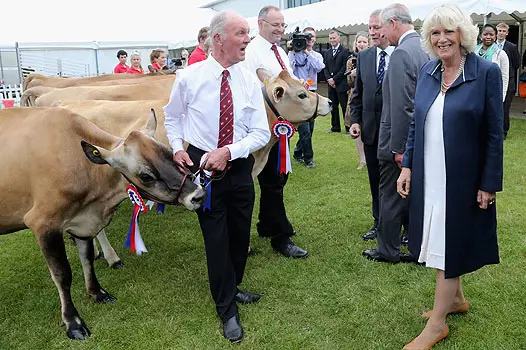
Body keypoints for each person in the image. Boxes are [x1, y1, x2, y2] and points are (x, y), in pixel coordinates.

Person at [397, 4, 503, 349]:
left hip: (462, 179)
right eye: (435, 33)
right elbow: (416, 124)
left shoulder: (485, 72)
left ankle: (437, 325)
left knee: (447, 243)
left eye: (448, 32)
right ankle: (455, 301)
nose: (442, 39)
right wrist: (408, 165)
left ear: (463, 35)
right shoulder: (429, 70)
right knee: (439, 236)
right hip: (430, 175)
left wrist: (489, 183)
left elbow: (493, 132)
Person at [163, 11, 270, 343]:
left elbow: (261, 133)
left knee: (239, 235)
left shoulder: (249, 80)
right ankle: (227, 309)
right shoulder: (189, 77)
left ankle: (233, 286)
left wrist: (230, 151)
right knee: (216, 239)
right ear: (218, 38)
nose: (247, 39)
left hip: (238, 167)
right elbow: (172, 117)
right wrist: (178, 147)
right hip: (201, 169)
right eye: (241, 33)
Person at [362, 3, 428, 263]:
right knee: (413, 194)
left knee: (389, 194)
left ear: (393, 23)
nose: (381, 34)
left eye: (382, 27)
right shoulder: (424, 47)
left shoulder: (401, 53)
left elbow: (402, 105)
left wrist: (400, 149)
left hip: (397, 142)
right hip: (420, 137)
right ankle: (415, 242)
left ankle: (387, 249)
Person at [244, 5, 308, 258]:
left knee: (277, 178)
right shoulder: (251, 52)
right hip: (263, 127)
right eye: (275, 25)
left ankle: (266, 224)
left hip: (280, 127)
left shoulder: (279, 50)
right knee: (272, 179)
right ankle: (280, 236)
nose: (280, 29)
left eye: (282, 25)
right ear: (261, 24)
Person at [349, 10, 394, 241]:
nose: (373, 32)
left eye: (377, 27)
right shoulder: (365, 56)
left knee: (397, 180)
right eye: (370, 28)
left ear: (389, 27)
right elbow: (358, 94)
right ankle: (378, 222)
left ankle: (402, 225)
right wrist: (355, 121)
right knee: (375, 179)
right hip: (369, 130)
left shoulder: (401, 54)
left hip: (395, 131)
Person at [289, 27, 325, 169]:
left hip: (312, 93)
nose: (310, 39)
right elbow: (289, 68)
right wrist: (293, 51)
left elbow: (319, 67)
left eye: (312, 37)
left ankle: (298, 152)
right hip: (299, 94)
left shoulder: (316, 55)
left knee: (310, 129)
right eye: (307, 37)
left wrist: (306, 51)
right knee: (304, 130)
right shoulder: (294, 53)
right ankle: (309, 159)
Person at [345, 31, 369, 170]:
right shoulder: (351, 60)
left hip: (369, 97)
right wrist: (352, 76)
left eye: (364, 41)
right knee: (356, 127)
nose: (361, 44)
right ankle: (362, 159)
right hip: (355, 97)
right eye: (359, 42)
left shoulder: (373, 58)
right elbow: (347, 83)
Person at [496, 22, 520, 139]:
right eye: (499, 31)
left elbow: (516, 64)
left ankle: (504, 131)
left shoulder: (512, 47)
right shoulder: (492, 46)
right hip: (494, 82)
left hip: (508, 83)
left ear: (507, 33)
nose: (501, 33)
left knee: (505, 108)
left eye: (503, 31)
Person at [324, 30, 351, 133]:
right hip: (331, 85)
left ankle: (348, 127)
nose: (332, 40)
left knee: (344, 106)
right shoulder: (327, 52)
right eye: (330, 38)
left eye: (334, 38)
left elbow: (345, 67)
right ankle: (335, 127)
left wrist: (335, 79)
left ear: (338, 38)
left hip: (341, 84)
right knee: (333, 106)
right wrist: (329, 79)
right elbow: (325, 67)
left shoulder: (345, 51)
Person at [475, 24, 509, 102]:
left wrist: (502, 98)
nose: (488, 37)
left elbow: (504, 77)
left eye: (491, 34)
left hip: (492, 93)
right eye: (485, 34)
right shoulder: (474, 51)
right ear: (480, 36)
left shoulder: (501, 54)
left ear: (495, 36)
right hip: (475, 91)